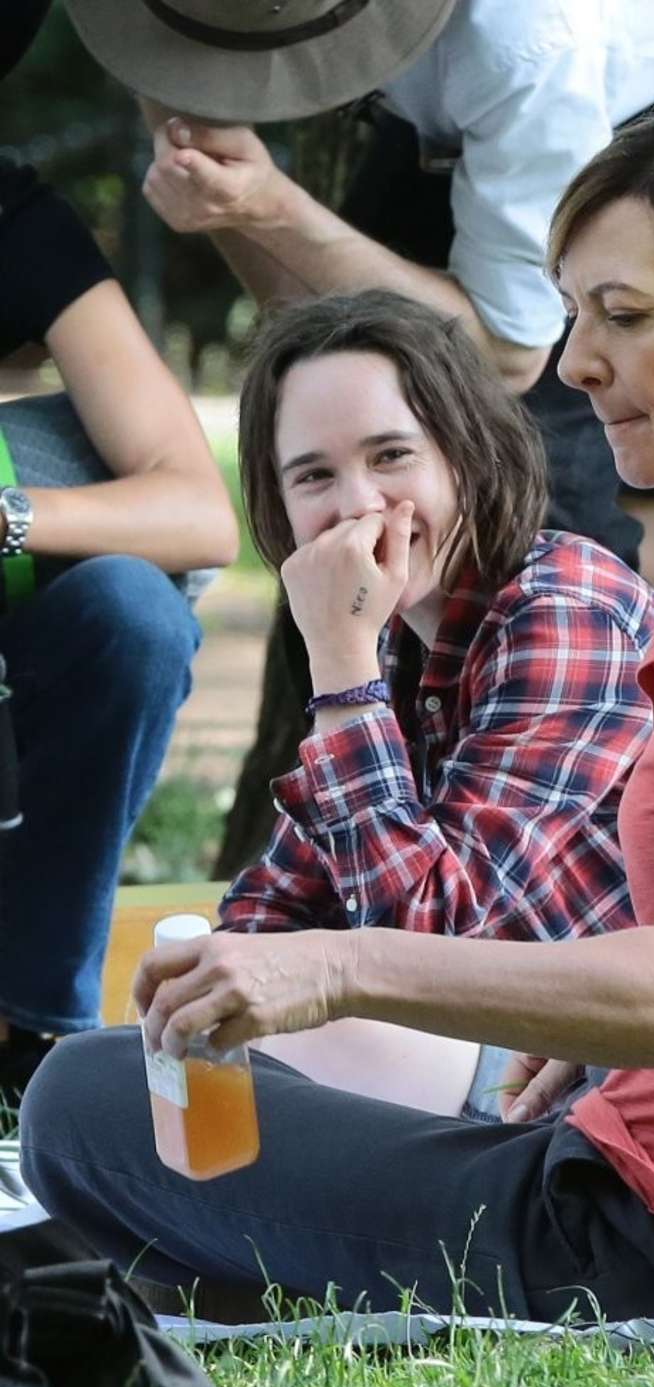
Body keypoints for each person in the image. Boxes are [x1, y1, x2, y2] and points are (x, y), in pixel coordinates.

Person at [21, 97, 654, 1334]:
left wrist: (331, 965)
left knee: (80, 1102)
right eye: (574, 315)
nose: (574, 364)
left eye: (622, 318)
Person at [61, 0, 654, 586]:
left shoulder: (524, 40)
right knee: (348, 382)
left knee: (536, 477)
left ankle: (580, 785)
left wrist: (270, 207)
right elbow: (316, 326)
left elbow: (508, 352)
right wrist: (228, 195)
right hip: (467, 102)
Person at [199, 289, 654, 1119]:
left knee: (246, 1056)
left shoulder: (563, 608)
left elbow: (434, 948)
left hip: (584, 1089)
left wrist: (338, 670)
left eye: (390, 456)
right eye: (314, 475)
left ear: (465, 455)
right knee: (118, 1073)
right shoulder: (385, 642)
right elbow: (272, 908)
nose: (357, 507)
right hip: (451, 1062)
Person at [0, 5, 239, 1091]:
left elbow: (199, 513)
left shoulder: (13, 212)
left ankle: (27, 1036)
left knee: (131, 616)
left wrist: (7, 513)